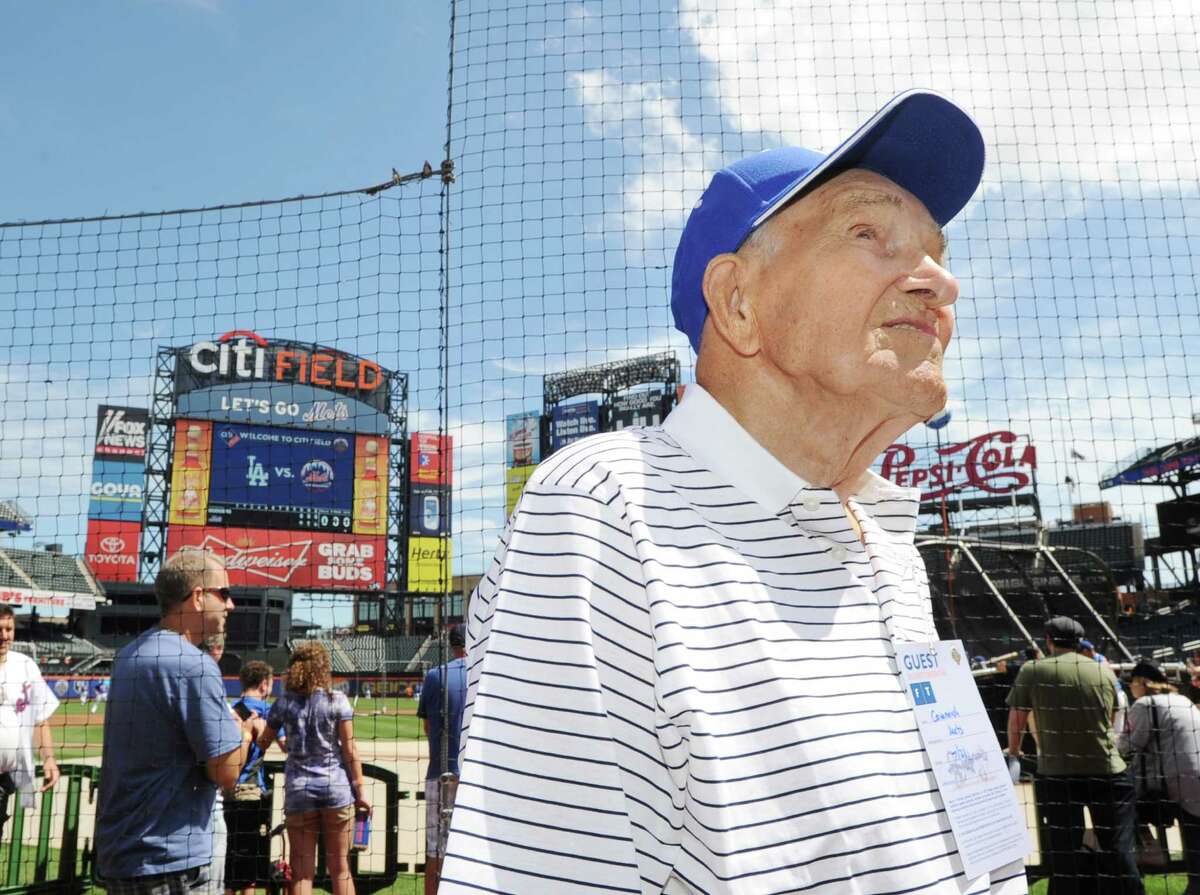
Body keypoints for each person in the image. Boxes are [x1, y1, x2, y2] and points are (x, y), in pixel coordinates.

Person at [440, 90, 1028, 893]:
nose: (939, 281)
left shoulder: (889, 539)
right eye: (869, 233)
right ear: (739, 301)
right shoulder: (606, 508)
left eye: (937, 250)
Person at [96, 550, 251, 894]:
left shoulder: (128, 656)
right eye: (223, 593)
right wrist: (242, 734)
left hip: (122, 851)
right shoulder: (192, 664)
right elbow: (226, 773)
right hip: (172, 858)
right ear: (197, 597)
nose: (231, 605)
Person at [1007, 616, 1141, 893]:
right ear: (1080, 641)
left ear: (1048, 640)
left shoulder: (1032, 670)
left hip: (1058, 775)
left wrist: (1015, 753)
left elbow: (1016, 721)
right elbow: (1114, 715)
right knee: (1119, 852)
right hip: (1108, 771)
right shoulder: (1103, 670)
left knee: (1064, 856)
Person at [258, 643, 369, 895]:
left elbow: (263, 741)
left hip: (299, 790)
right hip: (335, 788)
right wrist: (361, 791)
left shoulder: (284, 702)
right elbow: (350, 750)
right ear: (323, 668)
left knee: (302, 871)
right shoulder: (336, 700)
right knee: (340, 868)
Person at [1117, 661, 1200, 893]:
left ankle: (1149, 849)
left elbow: (1126, 747)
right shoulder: (1183, 700)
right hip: (1192, 780)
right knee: (1195, 852)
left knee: (1118, 796)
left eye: (1132, 684)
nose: (1131, 689)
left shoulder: (1145, 704)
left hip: (1176, 784)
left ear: (1142, 683)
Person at [0, 604, 60, 840]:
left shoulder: (25, 666)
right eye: (0, 629)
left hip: (10, 775)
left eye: (9, 629)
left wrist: (49, 758)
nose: (4, 636)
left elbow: (41, 719)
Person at [415, 626, 467, 895]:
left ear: (451, 646)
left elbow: (426, 728)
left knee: (435, 852)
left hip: (440, 773)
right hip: (476, 778)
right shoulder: (483, 673)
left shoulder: (436, 675)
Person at [225, 661, 281, 895]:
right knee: (250, 864)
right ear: (264, 684)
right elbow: (286, 744)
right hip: (251, 789)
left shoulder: (231, 709)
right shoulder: (268, 711)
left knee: (229, 857)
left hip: (226, 787)